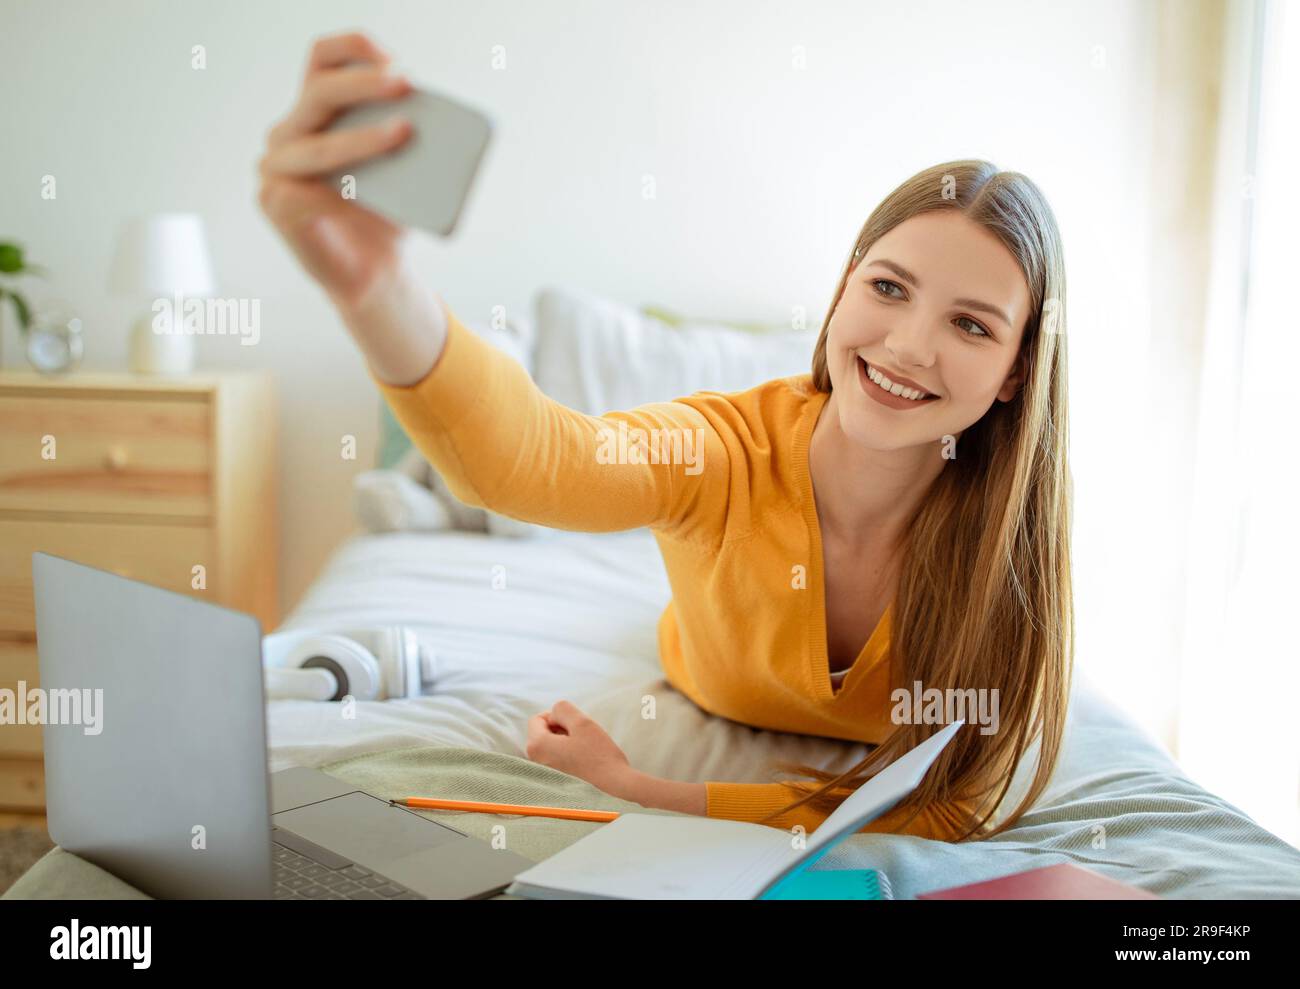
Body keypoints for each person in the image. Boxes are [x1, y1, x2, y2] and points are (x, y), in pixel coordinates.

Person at [258, 31, 1074, 843]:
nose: (907, 347)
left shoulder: (1011, 547)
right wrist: (374, 286)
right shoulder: (722, 449)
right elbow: (535, 459)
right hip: (689, 654)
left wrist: (641, 789)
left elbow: (950, 806)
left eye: (971, 325)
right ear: (844, 288)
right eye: (889, 287)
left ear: (1014, 372)